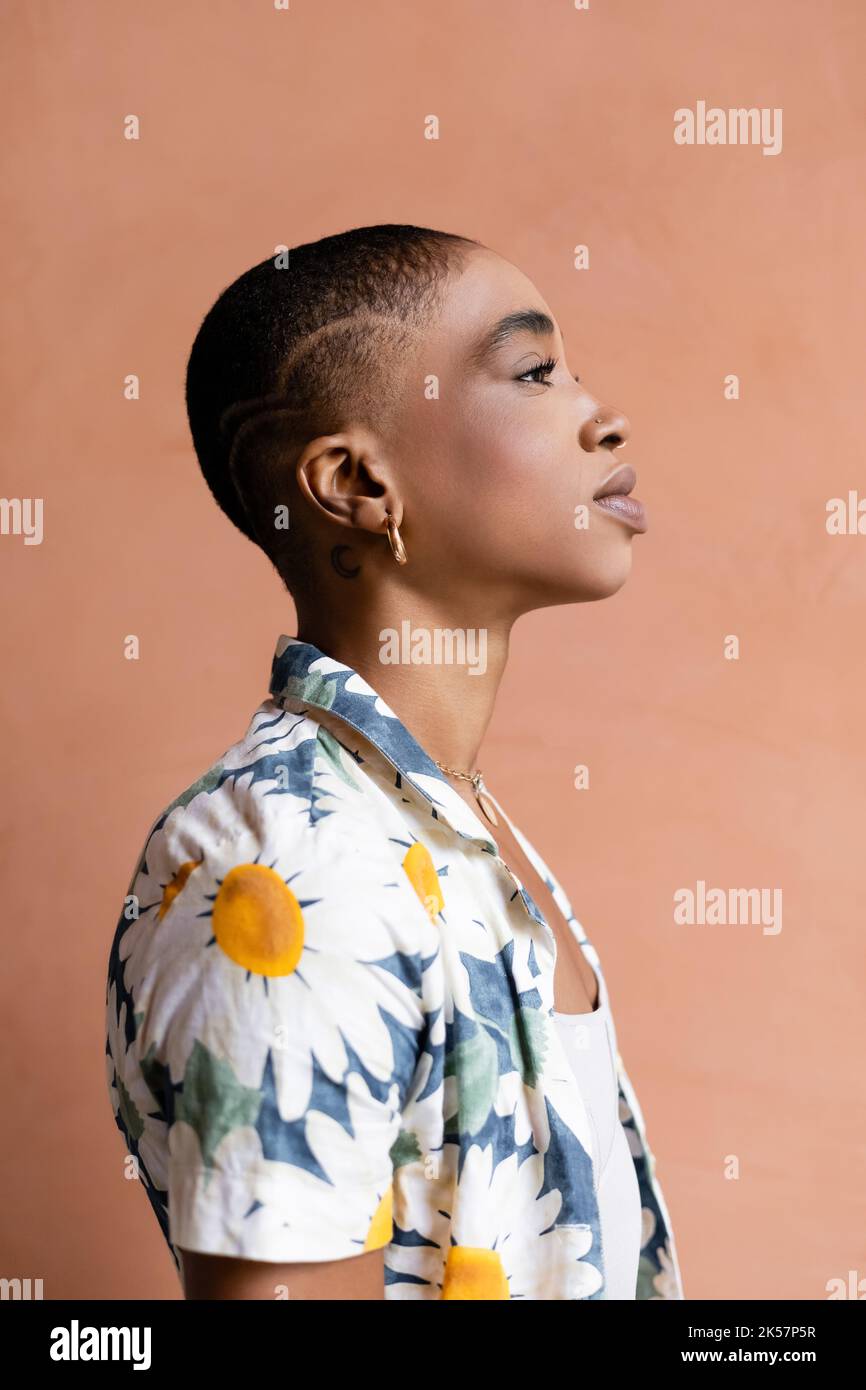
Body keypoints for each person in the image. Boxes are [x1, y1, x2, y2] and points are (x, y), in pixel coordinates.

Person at [105, 223, 685, 1300]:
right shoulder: (283, 864)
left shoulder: (444, 820)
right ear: (358, 483)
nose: (604, 418)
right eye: (533, 372)